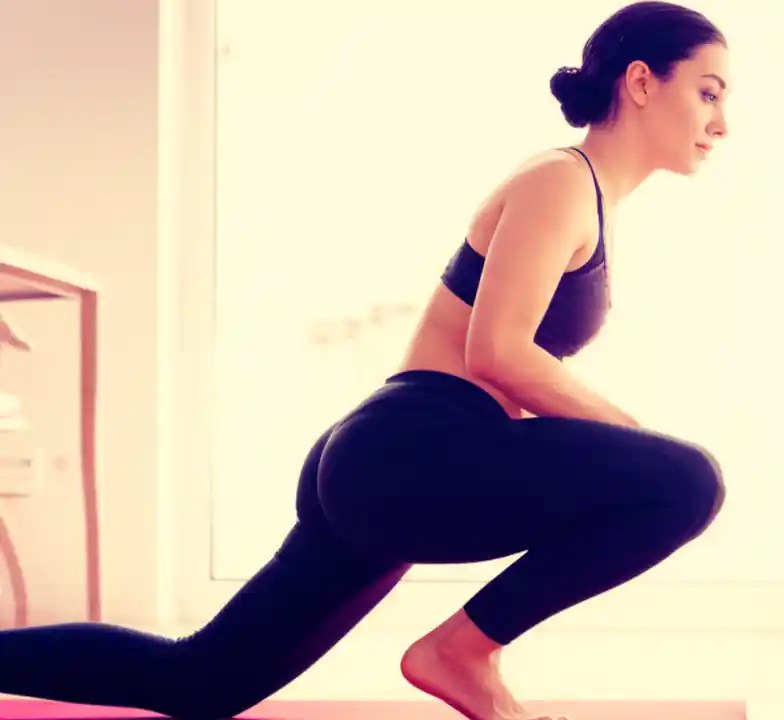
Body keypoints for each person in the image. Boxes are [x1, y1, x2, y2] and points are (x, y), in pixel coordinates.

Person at [0, 2, 730, 719]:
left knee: (202, 681)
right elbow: (499, 351)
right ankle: (462, 653)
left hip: (391, 462)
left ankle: (461, 652)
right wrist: (636, 441)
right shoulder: (560, 180)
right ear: (640, 83)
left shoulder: (585, 196)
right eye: (708, 93)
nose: (720, 124)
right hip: (416, 449)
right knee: (686, 481)